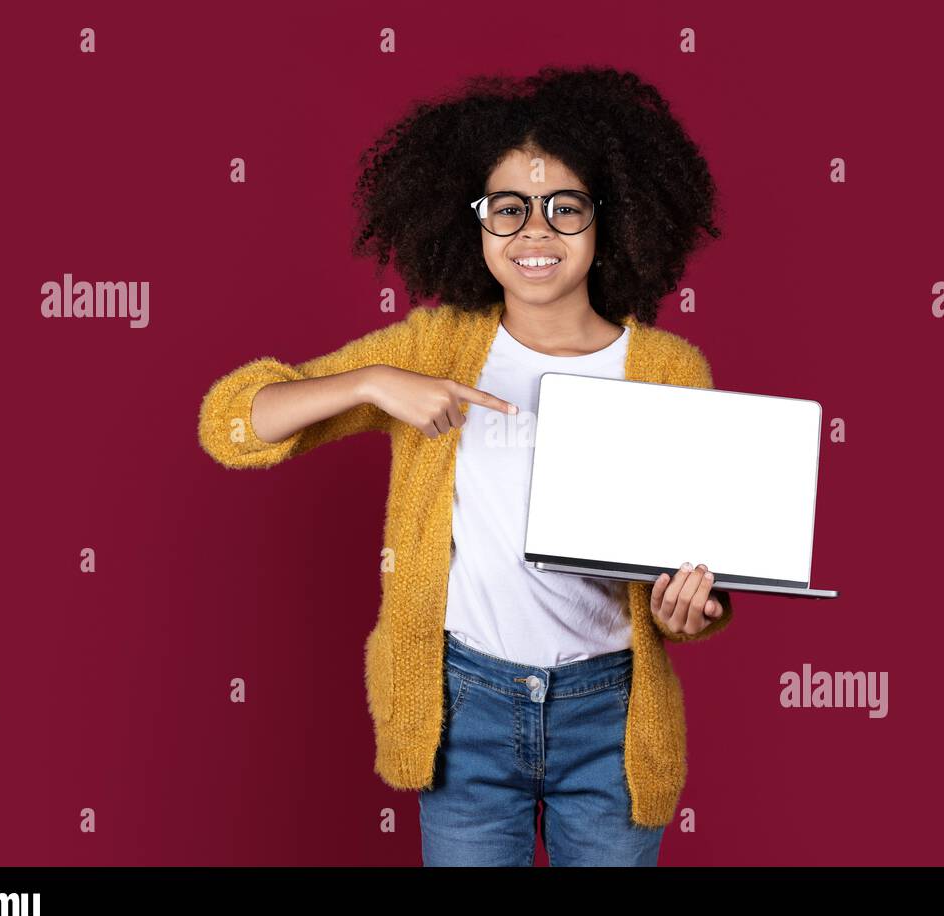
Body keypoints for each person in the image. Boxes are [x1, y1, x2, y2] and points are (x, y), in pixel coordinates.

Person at [197, 66, 736, 866]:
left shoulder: (668, 369)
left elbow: (687, 571)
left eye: (566, 207)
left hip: (612, 712)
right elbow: (231, 423)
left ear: (607, 219)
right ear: (474, 223)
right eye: (509, 208)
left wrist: (691, 612)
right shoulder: (431, 348)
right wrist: (374, 381)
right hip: (465, 710)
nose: (535, 231)